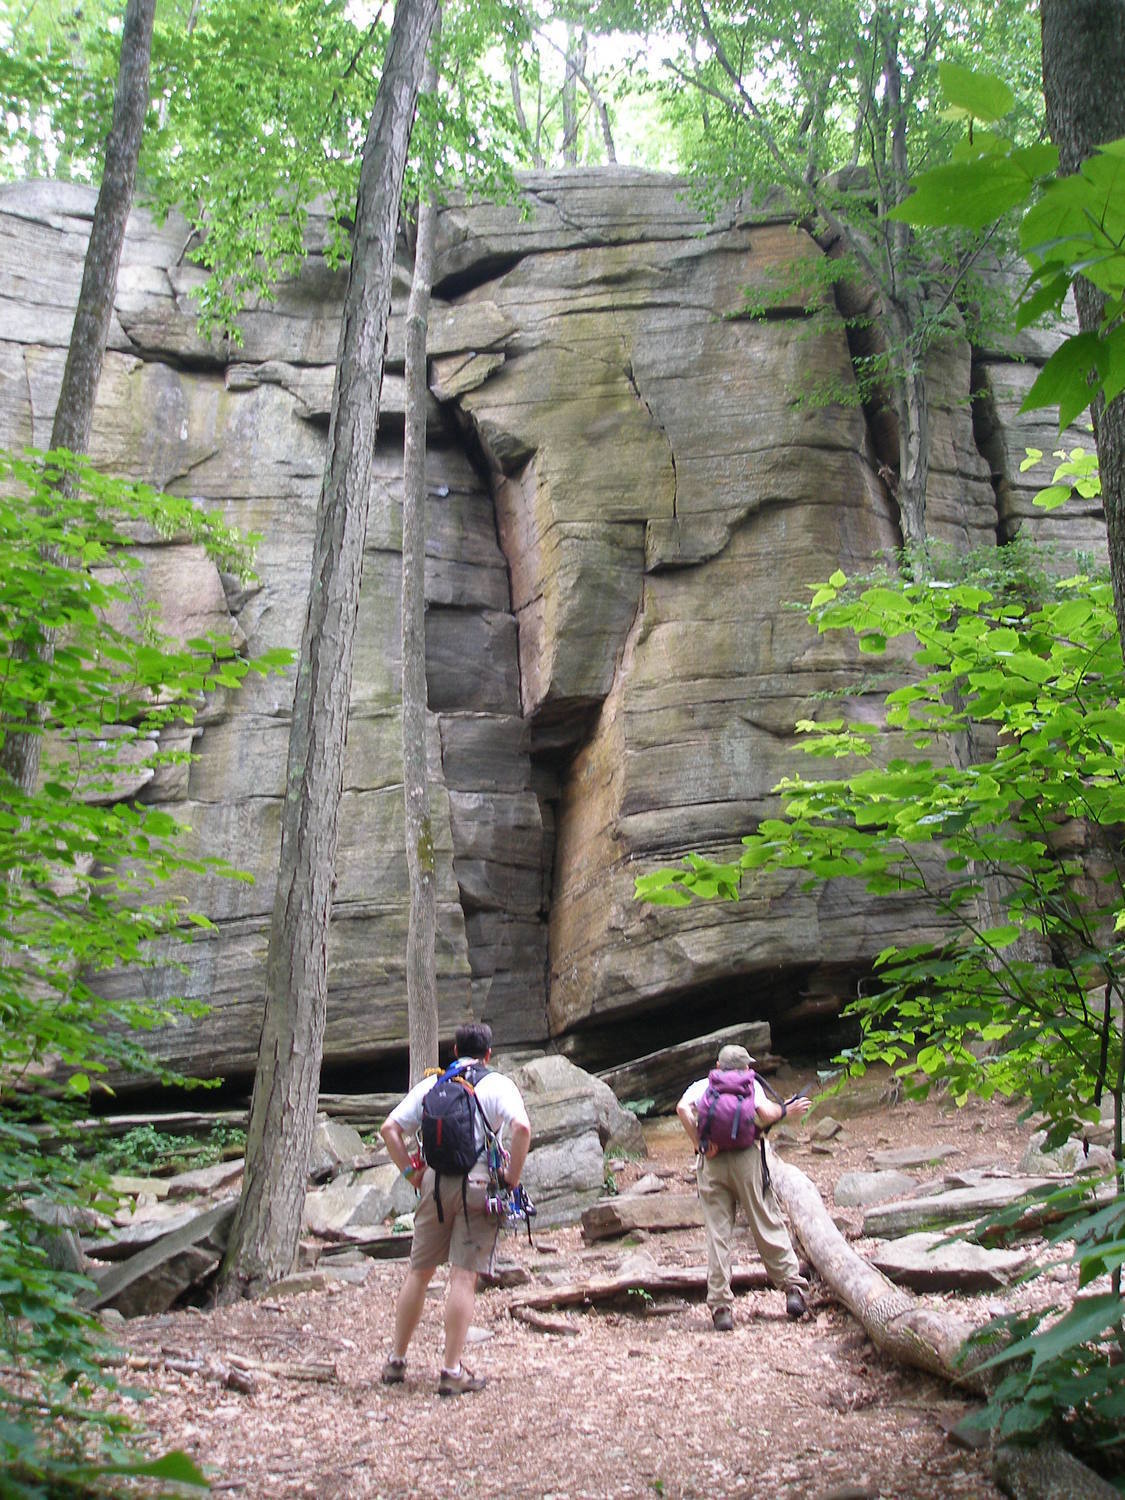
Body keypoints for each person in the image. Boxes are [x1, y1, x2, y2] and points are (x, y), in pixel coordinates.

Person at [379, 1020, 531, 1395]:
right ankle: (450, 1371)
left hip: (432, 1184)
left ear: (454, 1051)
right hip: (478, 1186)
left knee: (419, 1271)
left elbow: (389, 1129)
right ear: (488, 1053)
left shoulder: (434, 1084)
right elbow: (522, 1128)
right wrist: (510, 1179)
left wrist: (412, 1174)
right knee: (463, 1276)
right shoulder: (498, 1084)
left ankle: (396, 1361)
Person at [677, 1042, 812, 1332]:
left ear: (717, 1066)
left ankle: (721, 1307)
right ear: (745, 1068)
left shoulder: (703, 1087)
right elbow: (765, 1114)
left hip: (712, 1164)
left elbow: (682, 1109)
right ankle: (792, 1289)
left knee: (718, 1233)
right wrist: (786, 1110)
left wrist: (699, 1145)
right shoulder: (750, 1087)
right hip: (747, 1159)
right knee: (764, 1219)